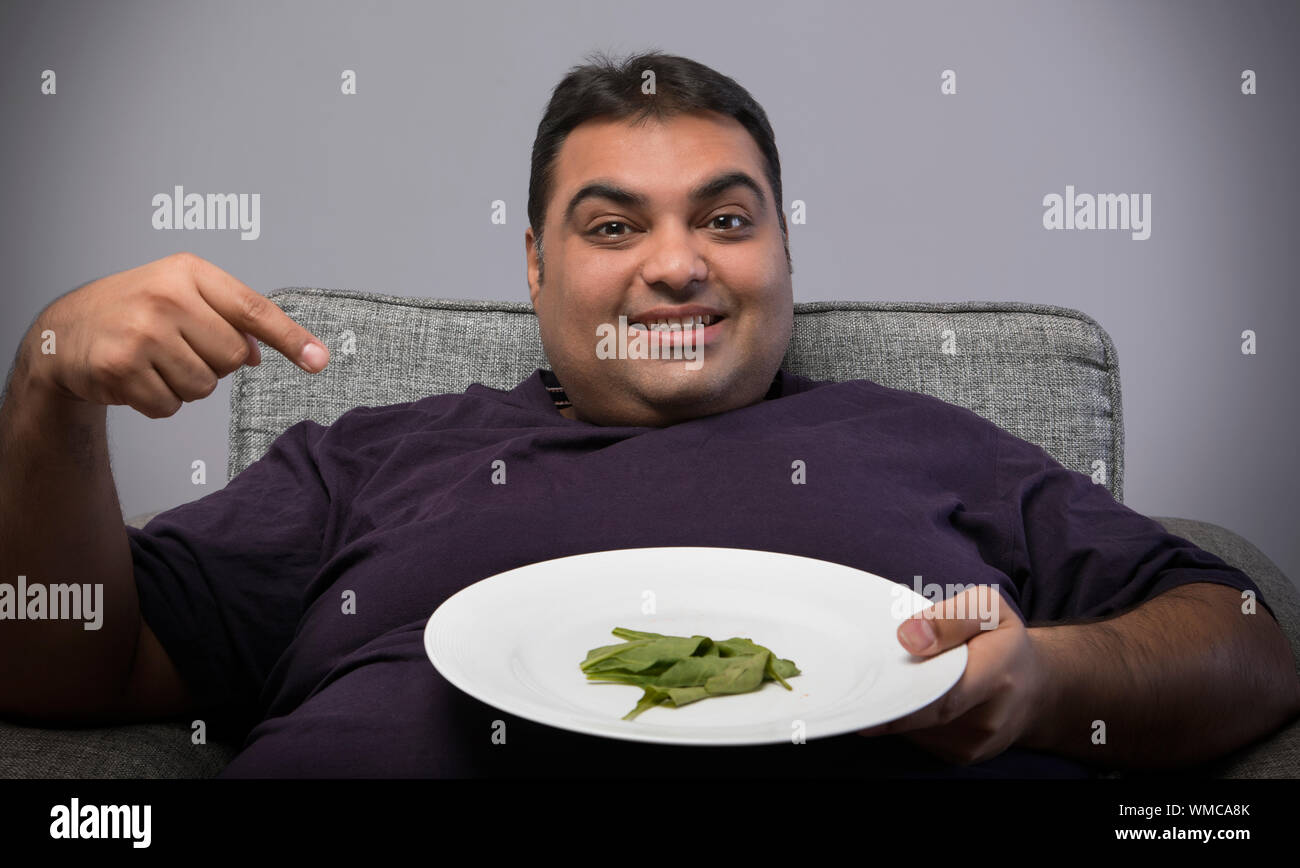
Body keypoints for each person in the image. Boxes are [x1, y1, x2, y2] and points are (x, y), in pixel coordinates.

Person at [2, 50, 1297, 779]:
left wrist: (1053, 680)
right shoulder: (368, 457)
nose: (675, 265)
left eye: (725, 220)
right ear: (533, 267)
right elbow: (59, 673)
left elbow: (1248, 643)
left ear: (784, 251)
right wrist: (50, 395)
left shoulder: (928, 440)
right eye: (613, 225)